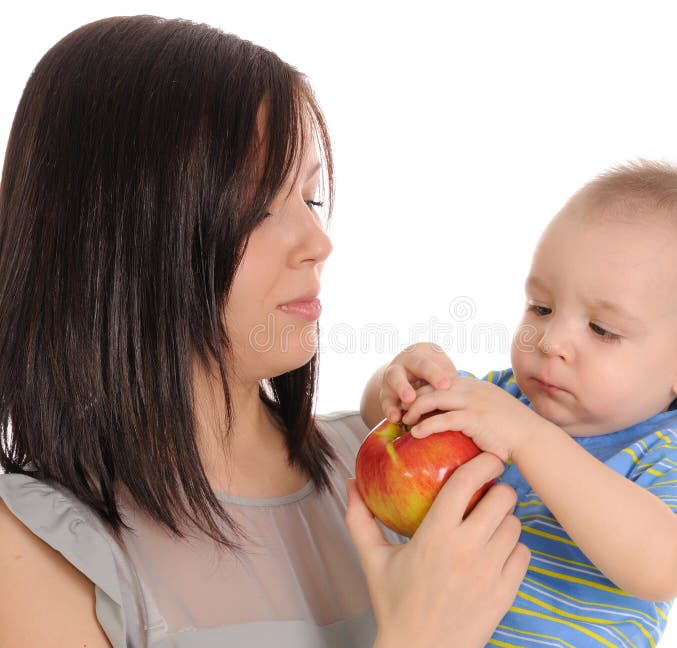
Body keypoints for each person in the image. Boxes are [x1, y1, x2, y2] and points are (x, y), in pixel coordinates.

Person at [0, 16, 531, 648]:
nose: (319, 243)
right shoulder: (33, 550)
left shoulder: (382, 470)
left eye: (309, 198)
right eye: (256, 205)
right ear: (121, 236)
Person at [361, 160, 677, 646]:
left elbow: (664, 567)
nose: (550, 342)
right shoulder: (502, 398)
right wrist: (397, 378)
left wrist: (528, 438)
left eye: (602, 330)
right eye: (541, 308)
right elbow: (381, 422)